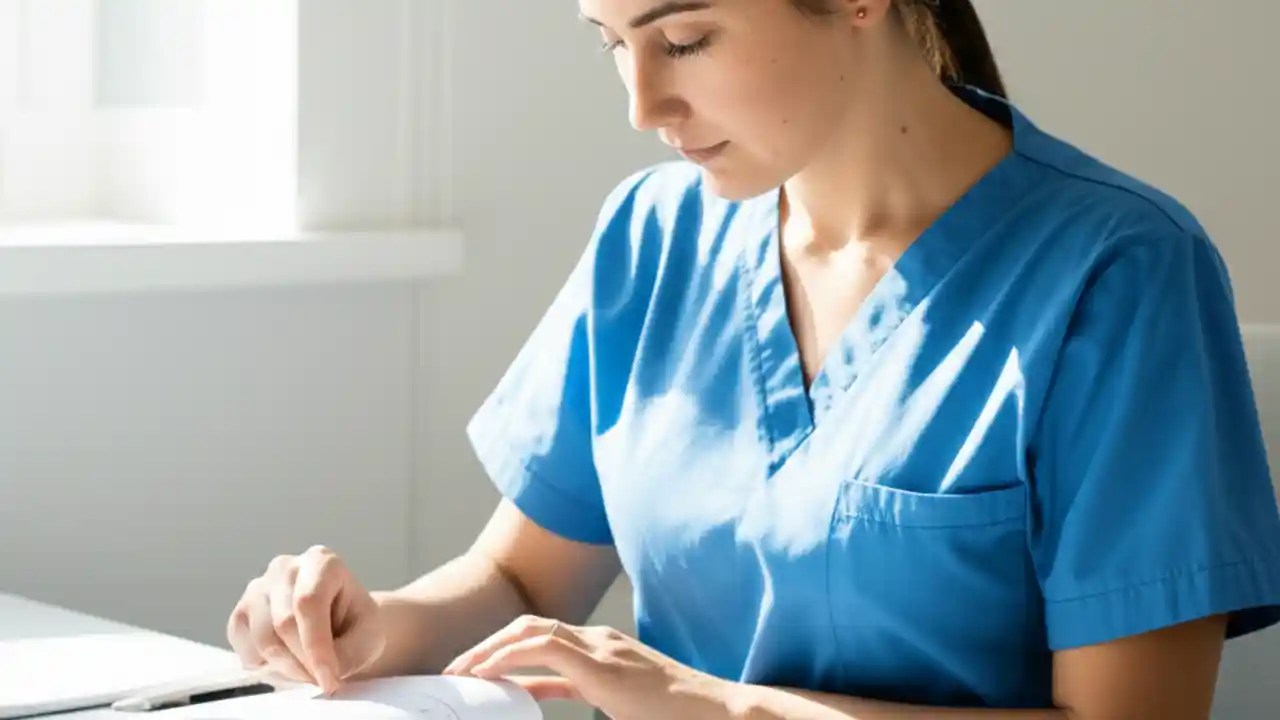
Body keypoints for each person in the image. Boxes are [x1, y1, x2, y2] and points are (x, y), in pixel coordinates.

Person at [226, 1, 1280, 717]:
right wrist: (367, 628)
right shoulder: (652, 233)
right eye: (608, 42)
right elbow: (515, 577)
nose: (641, 105)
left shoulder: (1118, 273)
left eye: (681, 39)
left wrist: (712, 704)